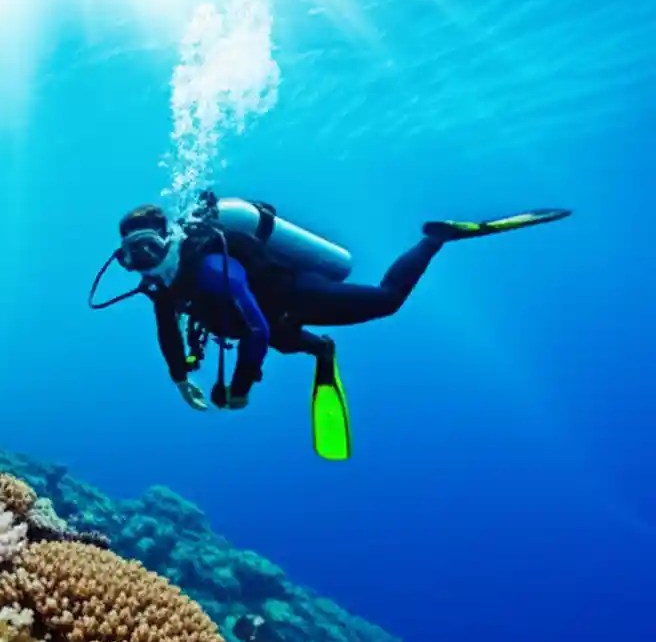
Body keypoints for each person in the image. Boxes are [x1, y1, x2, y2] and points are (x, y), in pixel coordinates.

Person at [87, 190, 571, 459]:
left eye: (148, 249)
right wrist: (178, 378)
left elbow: (254, 327)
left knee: (385, 302)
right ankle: (322, 352)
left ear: (166, 238)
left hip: (293, 296)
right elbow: (167, 330)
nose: (143, 263)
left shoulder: (210, 264)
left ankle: (437, 239)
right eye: (131, 257)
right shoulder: (163, 286)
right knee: (290, 342)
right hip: (266, 325)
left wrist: (241, 387)